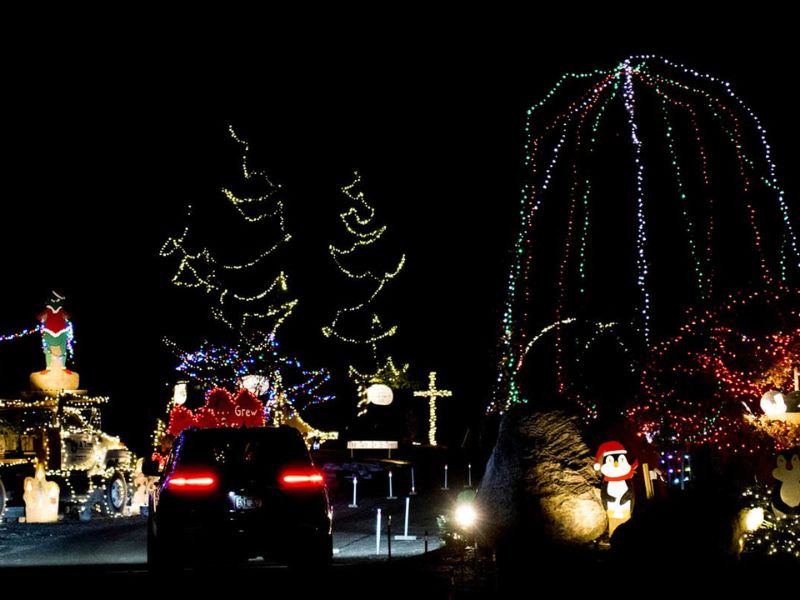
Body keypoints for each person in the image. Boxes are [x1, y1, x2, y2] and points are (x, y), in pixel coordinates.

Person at [37, 290, 72, 373]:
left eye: (57, 300)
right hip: (48, 332)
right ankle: (48, 368)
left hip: (62, 333)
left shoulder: (61, 311)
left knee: (63, 350)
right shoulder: (47, 311)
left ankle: (63, 367)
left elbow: (67, 318)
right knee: (47, 350)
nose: (55, 302)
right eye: (53, 299)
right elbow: (41, 319)